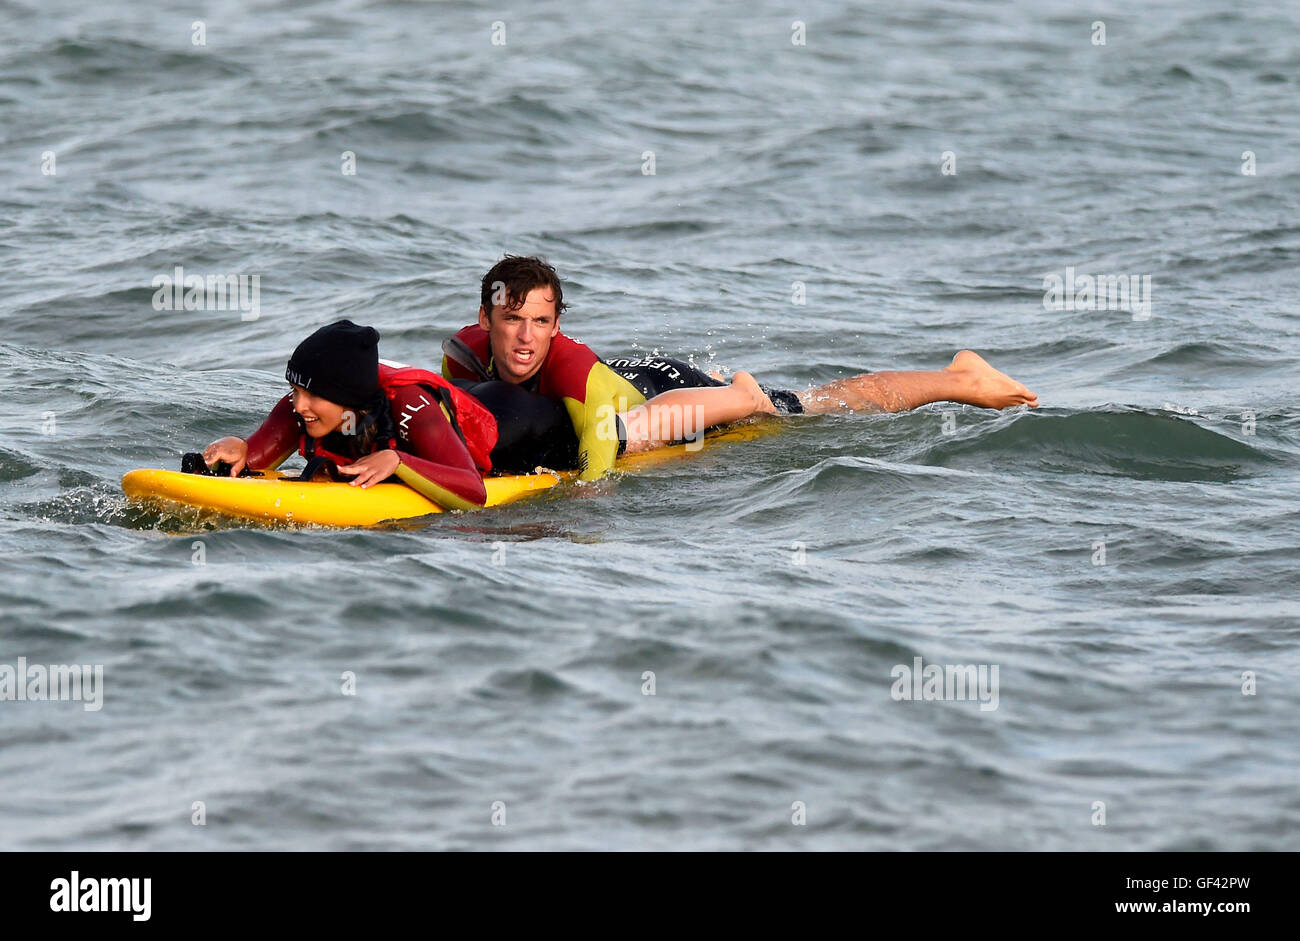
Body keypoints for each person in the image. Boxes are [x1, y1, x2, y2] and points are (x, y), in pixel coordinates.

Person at [442, 256, 1039, 477]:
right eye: (511, 320)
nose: (524, 338)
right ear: (485, 319)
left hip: (655, 389)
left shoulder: (571, 371)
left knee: (814, 406)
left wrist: (582, 493)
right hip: (626, 376)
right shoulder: (461, 353)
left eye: (540, 323)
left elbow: (601, 459)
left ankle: (962, 380)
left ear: (558, 325)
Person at [199, 320, 771, 508]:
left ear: (345, 394)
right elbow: (274, 429)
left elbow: (470, 491)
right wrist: (242, 450)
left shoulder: (412, 413)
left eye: (310, 395)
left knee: (630, 436)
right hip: (487, 401)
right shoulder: (314, 404)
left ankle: (738, 395)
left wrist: (397, 461)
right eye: (293, 392)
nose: (298, 406)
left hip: (543, 432)